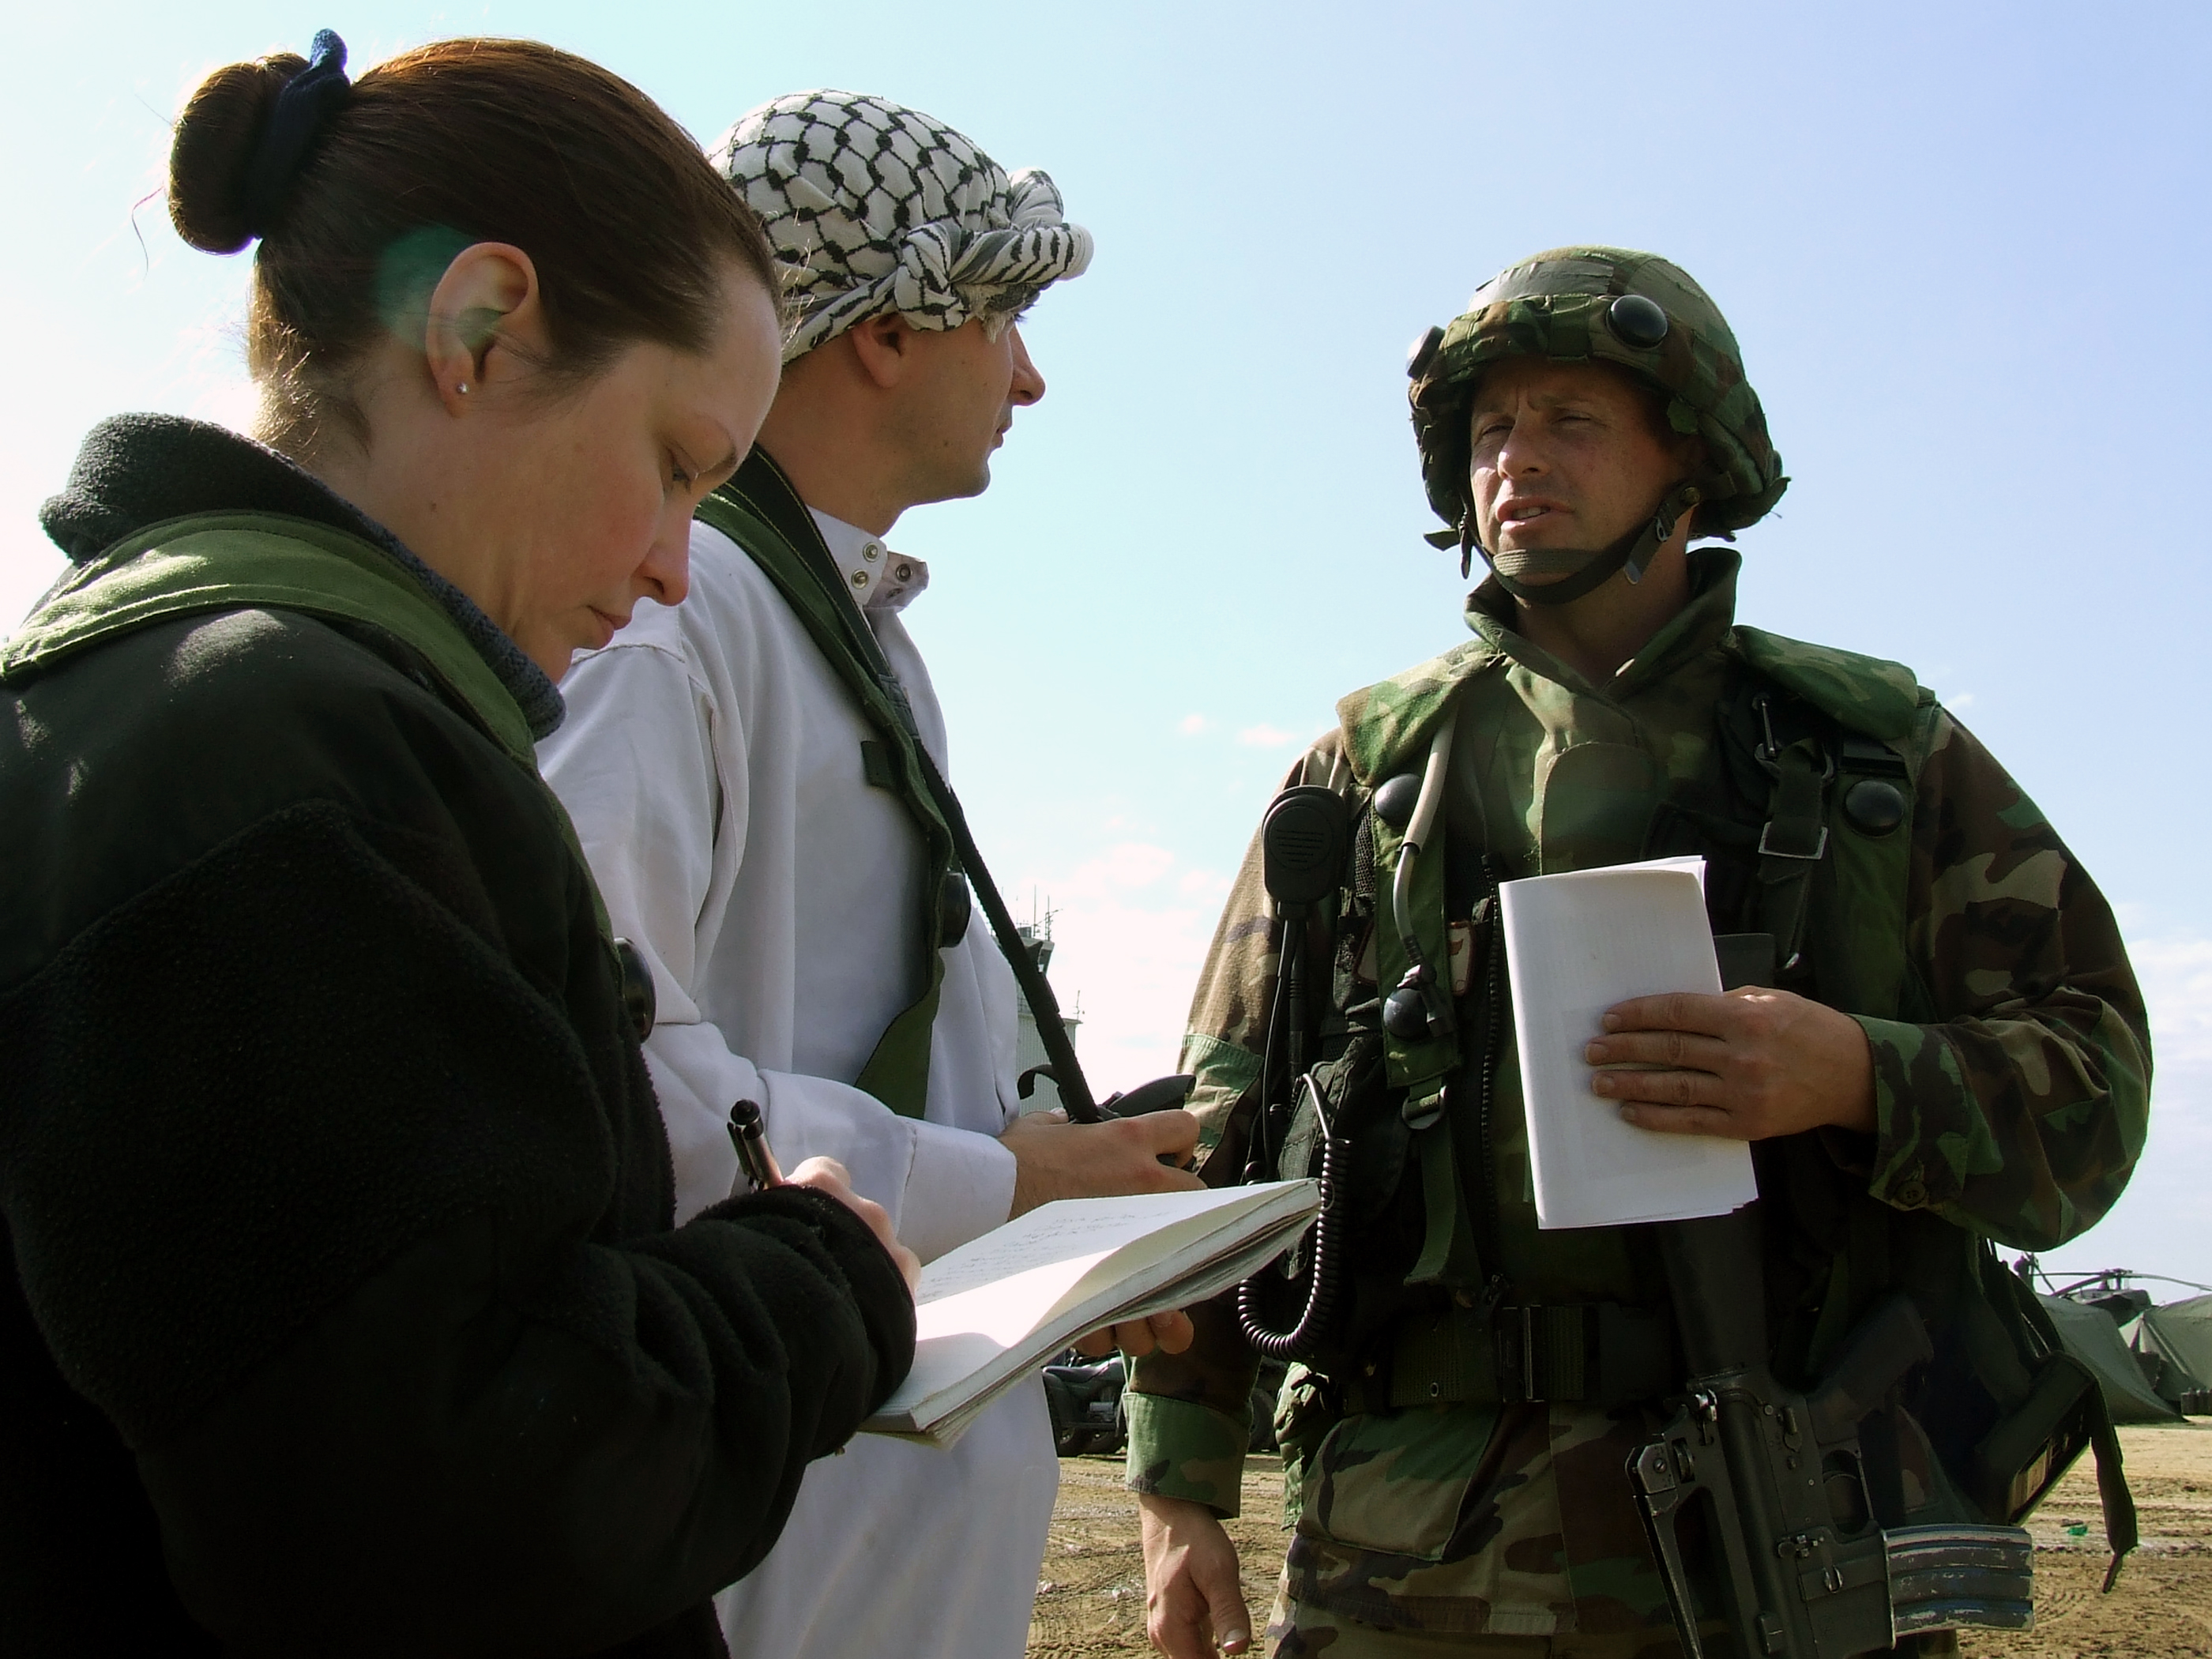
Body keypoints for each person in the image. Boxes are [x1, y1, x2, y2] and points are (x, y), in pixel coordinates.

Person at [0, 36, 918, 1658]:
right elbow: (466, 1519)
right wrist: (817, 1281)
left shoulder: (161, 712)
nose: (671, 570)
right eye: (674, 465)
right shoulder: (297, 763)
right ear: (479, 330)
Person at [1125, 246, 2151, 1658]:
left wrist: (1853, 1073)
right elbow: (1225, 1123)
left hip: (1784, 1536)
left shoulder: (1876, 754)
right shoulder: (1365, 771)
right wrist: (1177, 1483)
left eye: (1571, 422)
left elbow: (2094, 1084)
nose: (1516, 462)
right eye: (1490, 431)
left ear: (1689, 461)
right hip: (1406, 1560)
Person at [540, 89, 1202, 1659]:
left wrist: (1057, 1236)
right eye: (1006, 313)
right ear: (890, 331)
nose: (1029, 375)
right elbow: (591, 1081)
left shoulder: (850, 641)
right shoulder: (670, 620)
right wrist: (1016, 1182)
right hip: (756, 1563)